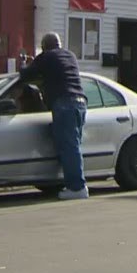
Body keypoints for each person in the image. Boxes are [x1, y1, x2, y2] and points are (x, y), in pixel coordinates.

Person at [19, 33, 89, 200]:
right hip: (80, 102)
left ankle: (77, 187)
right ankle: (71, 183)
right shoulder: (70, 55)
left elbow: (26, 75)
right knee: (72, 144)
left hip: (65, 103)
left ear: (44, 47)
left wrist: (23, 63)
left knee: (69, 146)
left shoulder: (46, 57)